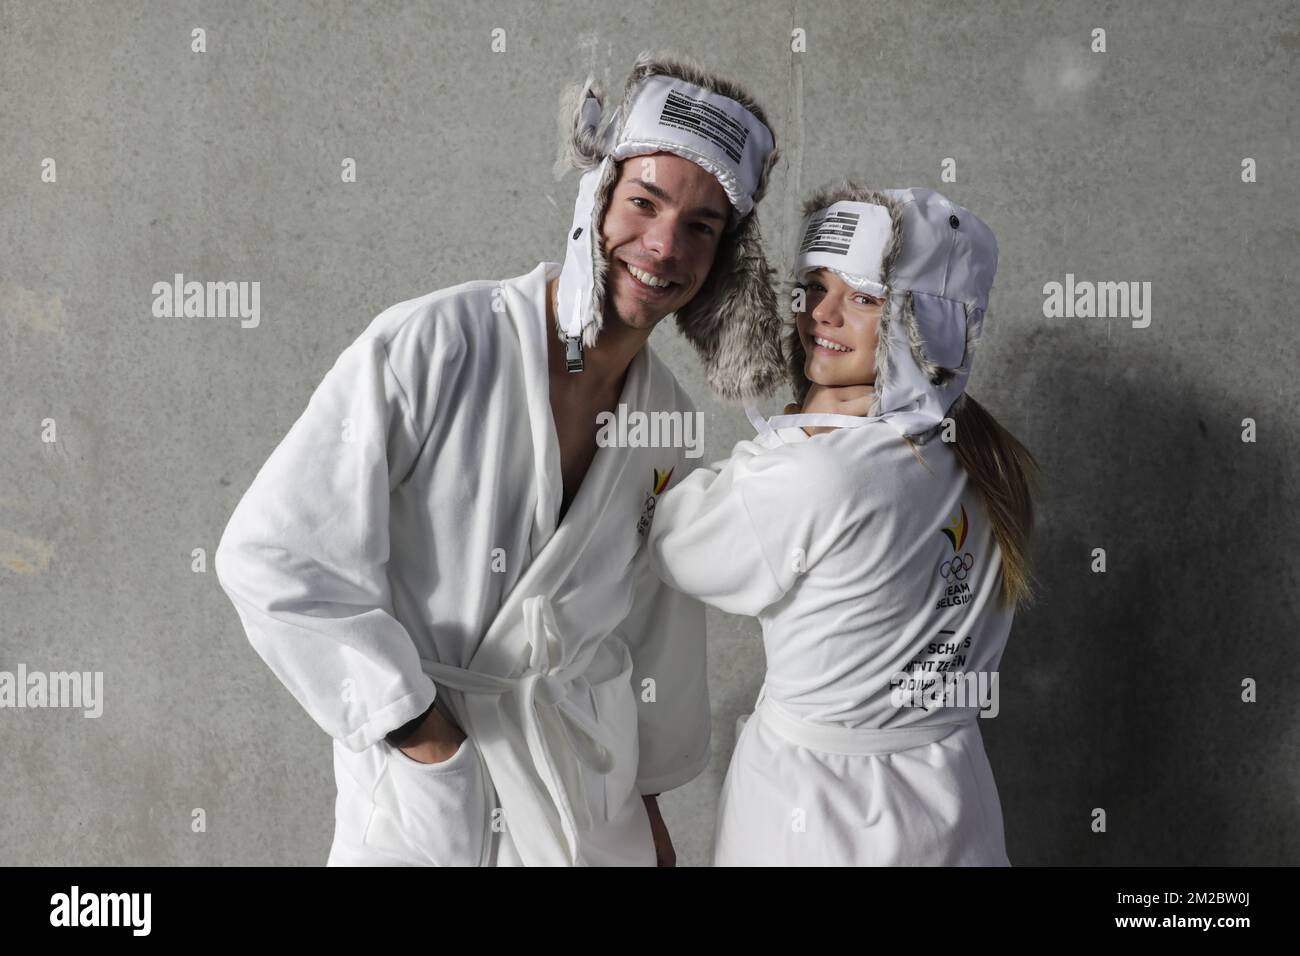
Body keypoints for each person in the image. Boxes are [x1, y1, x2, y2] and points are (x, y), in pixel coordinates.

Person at [213, 52, 785, 866]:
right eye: (645, 202)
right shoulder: (437, 344)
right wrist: (419, 732)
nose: (663, 247)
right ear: (597, 197)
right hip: (429, 800)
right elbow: (272, 556)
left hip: (589, 800)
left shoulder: (666, 420)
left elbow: (654, 632)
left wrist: (649, 816)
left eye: (701, 227)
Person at [646, 184, 1039, 865]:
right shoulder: (986, 452)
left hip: (820, 807)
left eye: (863, 297)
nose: (820, 315)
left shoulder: (816, 470)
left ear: (929, 320)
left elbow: (677, 545)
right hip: (953, 795)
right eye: (813, 286)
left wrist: (794, 432)